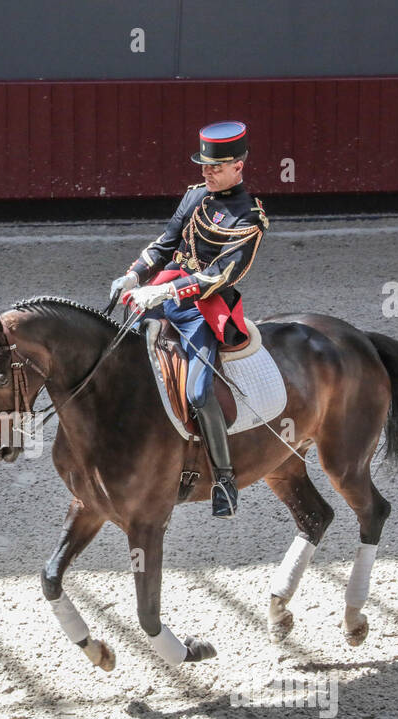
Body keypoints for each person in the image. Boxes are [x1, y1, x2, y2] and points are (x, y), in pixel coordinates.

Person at [109, 121, 268, 518]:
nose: (206, 173)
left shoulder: (249, 217)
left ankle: (225, 479)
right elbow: (165, 243)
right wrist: (134, 274)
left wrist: (164, 292)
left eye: (215, 167)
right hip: (161, 293)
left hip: (203, 310)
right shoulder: (195, 196)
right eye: (204, 166)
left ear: (239, 167)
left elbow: (221, 275)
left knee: (198, 392)